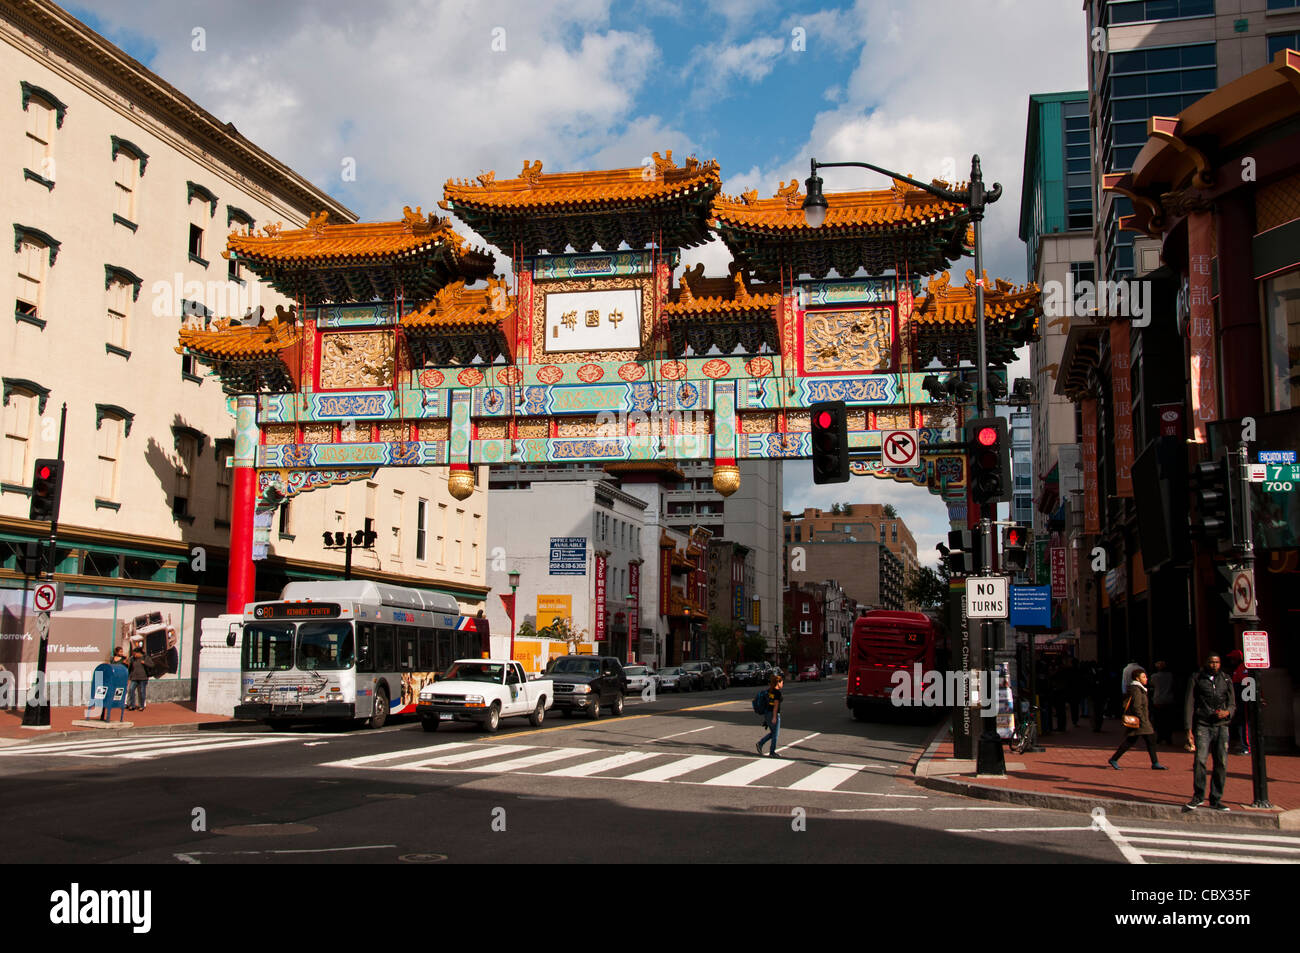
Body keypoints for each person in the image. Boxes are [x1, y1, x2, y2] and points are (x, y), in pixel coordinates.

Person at [1184, 654, 1235, 812]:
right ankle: (1198, 795)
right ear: (1206, 663)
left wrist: (1227, 713)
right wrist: (1188, 727)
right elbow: (1189, 702)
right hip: (1203, 724)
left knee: (1221, 762)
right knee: (1200, 760)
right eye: (1211, 662)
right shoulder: (1197, 678)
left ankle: (1216, 798)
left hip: (1222, 725)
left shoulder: (1226, 679)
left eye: (1217, 662)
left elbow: (1232, 702)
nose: (1214, 665)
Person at [1107, 668, 1166, 770]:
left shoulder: (1139, 689)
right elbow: (1136, 706)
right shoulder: (1136, 690)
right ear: (1137, 678)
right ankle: (1154, 763)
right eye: (1143, 677)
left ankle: (1115, 759)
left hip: (1142, 720)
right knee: (1146, 740)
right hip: (1141, 721)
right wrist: (1143, 719)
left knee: (1135, 740)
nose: (1146, 679)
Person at [1225, 650, 1251, 755]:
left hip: (1244, 699)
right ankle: (1243, 745)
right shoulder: (1237, 669)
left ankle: (1247, 747)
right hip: (1239, 699)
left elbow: (1249, 684)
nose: (1231, 661)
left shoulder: (1243, 668)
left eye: (1233, 658)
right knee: (1241, 724)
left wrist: (1249, 700)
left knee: (1245, 724)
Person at [755, 672, 784, 758]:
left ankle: (760, 744)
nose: (782, 684)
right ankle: (772, 751)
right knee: (775, 734)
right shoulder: (777, 693)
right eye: (782, 682)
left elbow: (767, 704)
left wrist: (766, 719)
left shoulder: (769, 691)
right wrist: (774, 717)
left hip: (767, 714)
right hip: (773, 714)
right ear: (778, 683)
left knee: (773, 733)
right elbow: (775, 706)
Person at [1149, 660, 1176, 745]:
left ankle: (1160, 736)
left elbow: (1151, 685)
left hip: (1158, 699)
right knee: (1168, 719)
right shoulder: (1170, 676)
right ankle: (1168, 737)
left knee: (1159, 719)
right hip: (1168, 699)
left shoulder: (1154, 676)